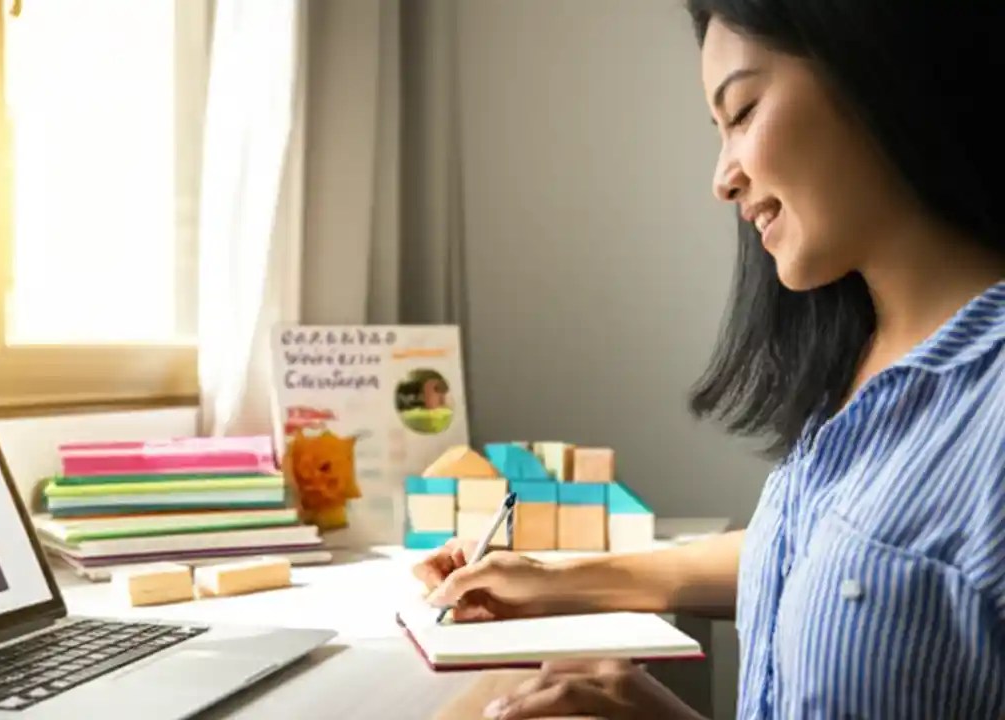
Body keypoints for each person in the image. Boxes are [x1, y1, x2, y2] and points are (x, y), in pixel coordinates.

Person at [413, 1, 1005, 718]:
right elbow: (843, 555)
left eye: (744, 111)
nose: (722, 179)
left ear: (877, 67)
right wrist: (559, 576)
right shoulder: (864, 366)